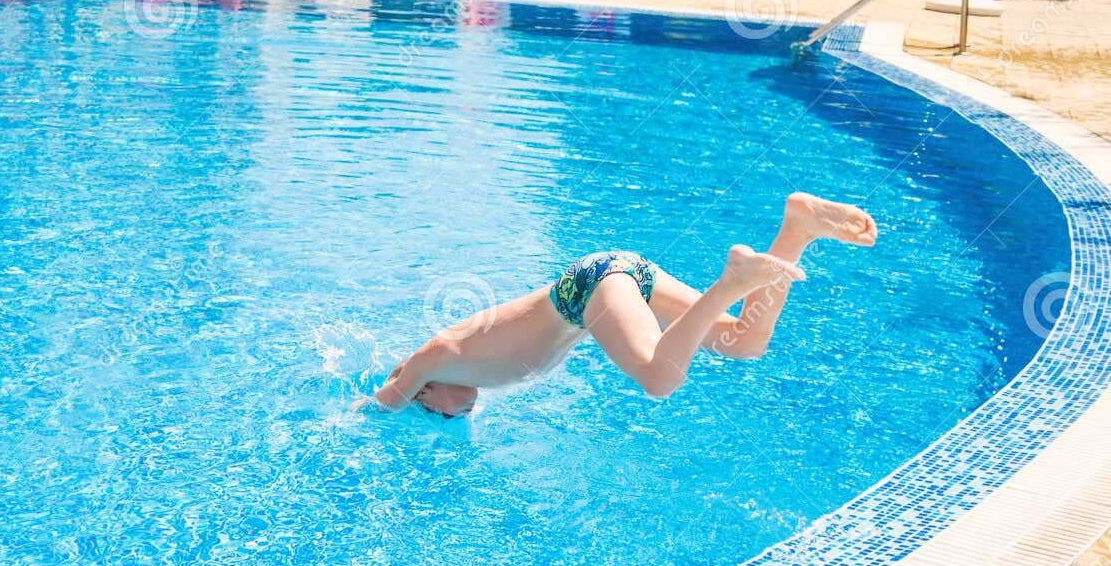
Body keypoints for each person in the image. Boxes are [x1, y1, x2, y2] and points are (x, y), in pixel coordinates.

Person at [372, 193, 878, 417]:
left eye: (441, 414)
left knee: (659, 379)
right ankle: (799, 227)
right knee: (744, 342)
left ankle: (732, 282)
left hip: (587, 289)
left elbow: (381, 402)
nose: (457, 414)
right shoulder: (467, 369)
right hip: (610, 276)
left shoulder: (435, 358)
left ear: (425, 393)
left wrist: (377, 402)